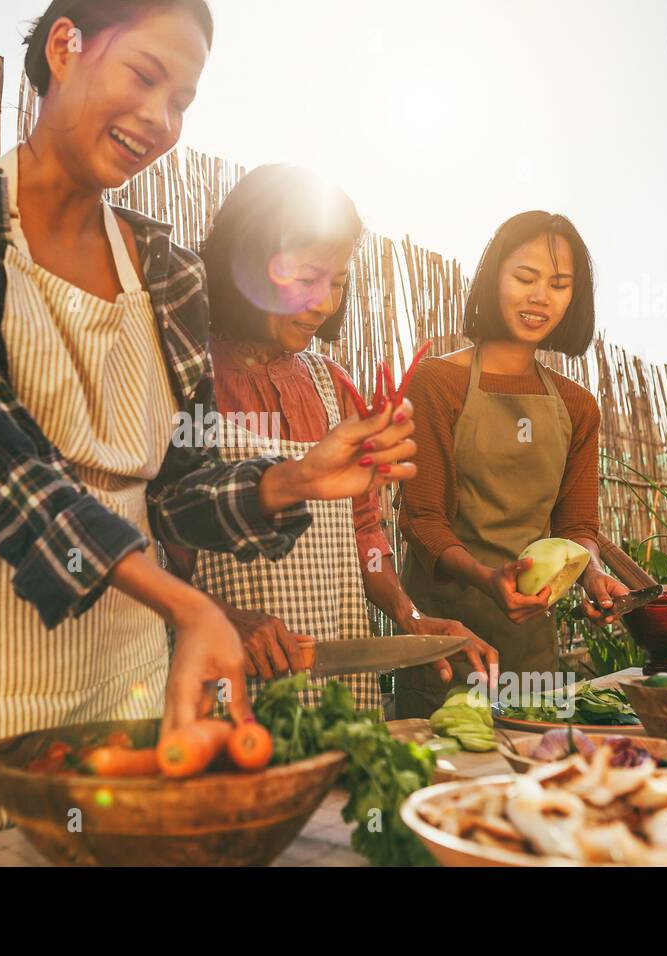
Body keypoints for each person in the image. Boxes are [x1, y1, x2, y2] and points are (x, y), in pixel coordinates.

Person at [0, 0, 418, 864]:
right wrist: (187, 606)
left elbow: (177, 492)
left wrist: (292, 479)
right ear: (66, 45)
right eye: (145, 76)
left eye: (181, 100)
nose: (159, 119)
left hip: (124, 673)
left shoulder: (169, 273)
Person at [164, 165, 498, 716]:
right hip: (219, 677)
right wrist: (219, 615)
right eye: (305, 278)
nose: (323, 303)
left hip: (335, 680)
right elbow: (153, 540)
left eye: (338, 282)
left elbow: (363, 528)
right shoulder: (184, 375)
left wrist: (409, 618)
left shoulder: (330, 385)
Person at [393, 211, 628, 718]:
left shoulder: (578, 406)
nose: (541, 296)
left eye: (559, 284)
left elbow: (577, 527)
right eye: (525, 277)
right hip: (447, 647)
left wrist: (591, 577)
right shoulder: (438, 383)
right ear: (494, 276)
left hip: (532, 654)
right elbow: (421, 520)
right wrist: (485, 578)